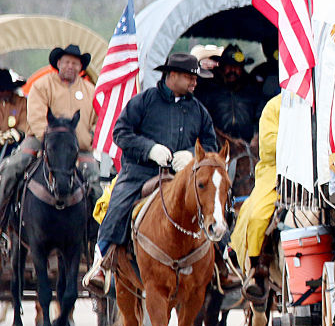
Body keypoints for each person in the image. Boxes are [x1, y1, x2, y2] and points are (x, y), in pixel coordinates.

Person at [84, 53, 219, 292]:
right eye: (190, 77)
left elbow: (211, 145)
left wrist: (190, 155)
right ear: (172, 75)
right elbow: (121, 132)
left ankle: (223, 263)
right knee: (118, 204)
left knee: (214, 205)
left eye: (195, 78)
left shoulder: (199, 110)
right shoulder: (144, 101)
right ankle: (102, 262)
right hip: (140, 173)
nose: (195, 83)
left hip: (183, 177)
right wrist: (150, 149)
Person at [1, 46, 101, 219]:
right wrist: (49, 140)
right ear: (58, 63)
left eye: (75, 63)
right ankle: (2, 213)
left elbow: (98, 121)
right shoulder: (42, 86)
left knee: (96, 180)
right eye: (67, 62)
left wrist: (90, 136)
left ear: (80, 67)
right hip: (41, 141)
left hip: (79, 147)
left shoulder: (90, 91)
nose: (70, 66)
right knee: (12, 167)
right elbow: (36, 118)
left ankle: (98, 232)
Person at [230, 93, 281, 299]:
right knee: (257, 216)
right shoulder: (274, 107)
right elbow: (267, 146)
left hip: (319, 171)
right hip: (275, 172)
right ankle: (256, 271)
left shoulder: (321, 103)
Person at [197, 44, 265, 143]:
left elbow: (261, 118)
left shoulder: (253, 92)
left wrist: (255, 138)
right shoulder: (208, 91)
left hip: (247, 146)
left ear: (242, 69)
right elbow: (201, 120)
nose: (233, 70)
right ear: (221, 67)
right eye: (229, 66)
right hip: (216, 146)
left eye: (237, 67)